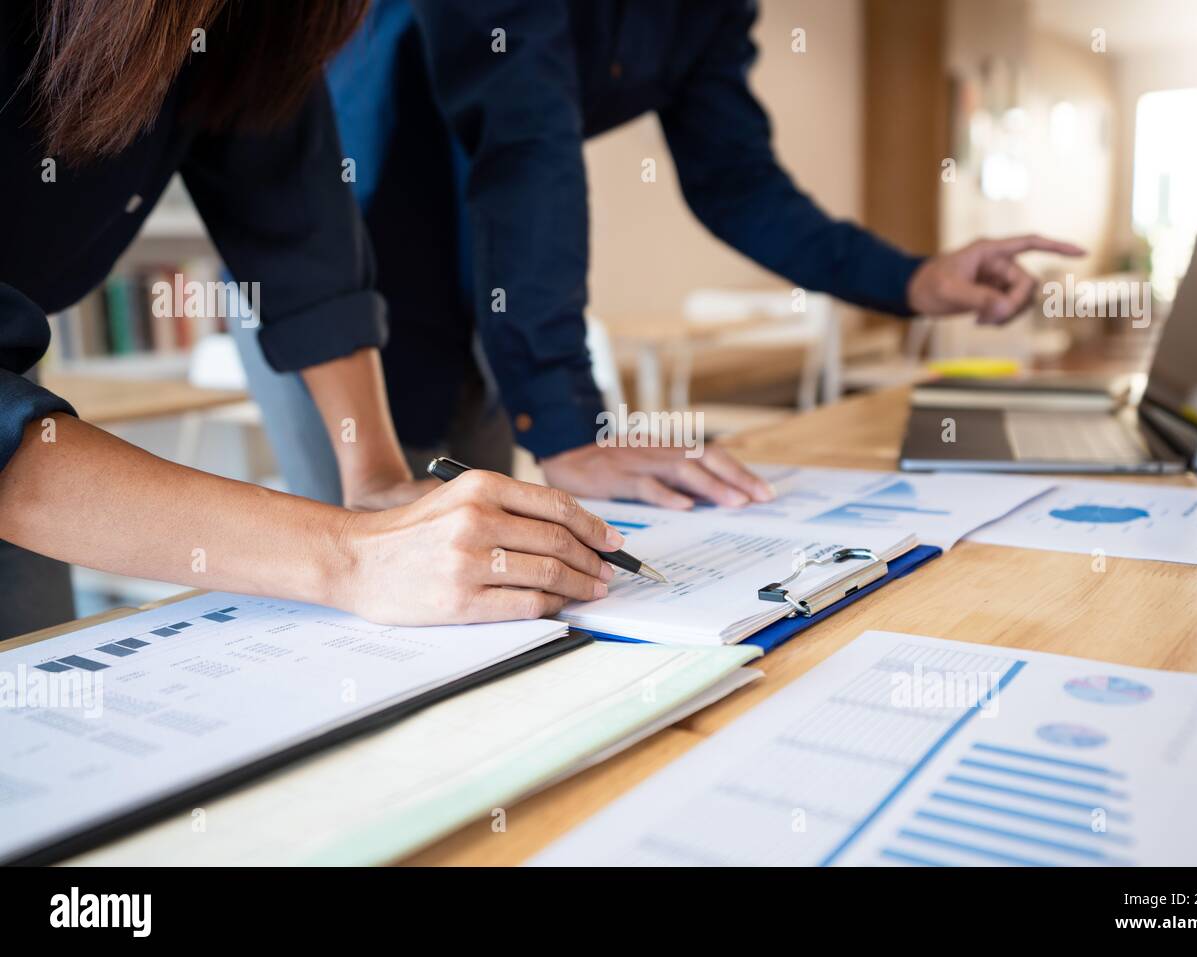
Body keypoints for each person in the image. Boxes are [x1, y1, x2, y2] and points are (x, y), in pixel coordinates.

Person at [229, 0, 1082, 511]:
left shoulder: (706, 13)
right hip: (335, 288)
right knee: (372, 569)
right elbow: (526, 143)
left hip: (490, 294)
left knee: (475, 575)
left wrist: (909, 279)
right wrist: (568, 424)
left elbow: (736, 181)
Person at [0, 0, 624, 640]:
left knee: (30, 639)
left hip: (17, 368)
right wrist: (353, 556)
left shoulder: (245, 24)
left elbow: (300, 234)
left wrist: (375, 478)